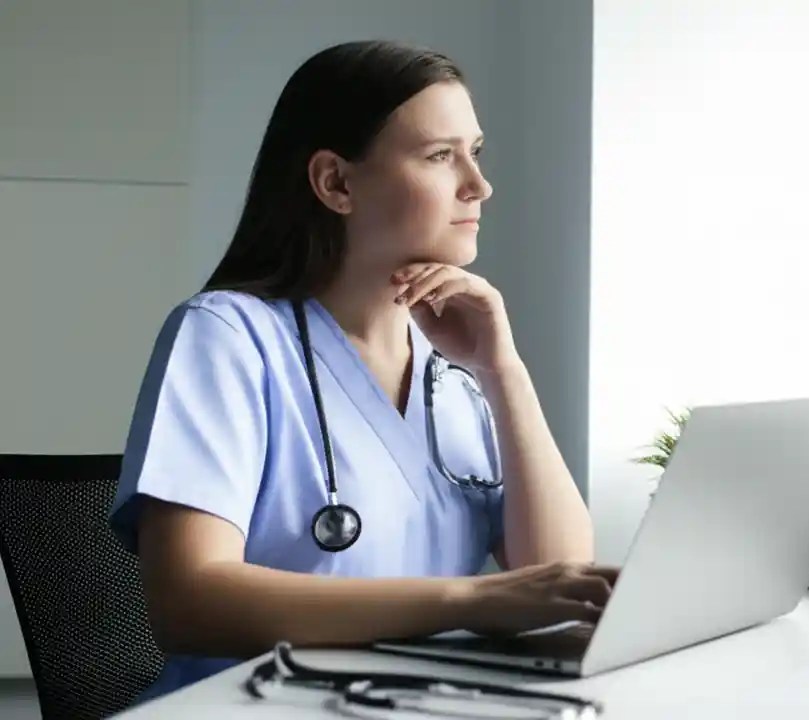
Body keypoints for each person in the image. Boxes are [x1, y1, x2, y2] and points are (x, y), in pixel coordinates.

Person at [108, 40, 614, 703]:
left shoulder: (455, 373)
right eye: (441, 156)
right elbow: (189, 603)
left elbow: (558, 584)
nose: (478, 185)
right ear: (336, 184)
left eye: (476, 152)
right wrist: (470, 600)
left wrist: (504, 371)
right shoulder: (227, 336)